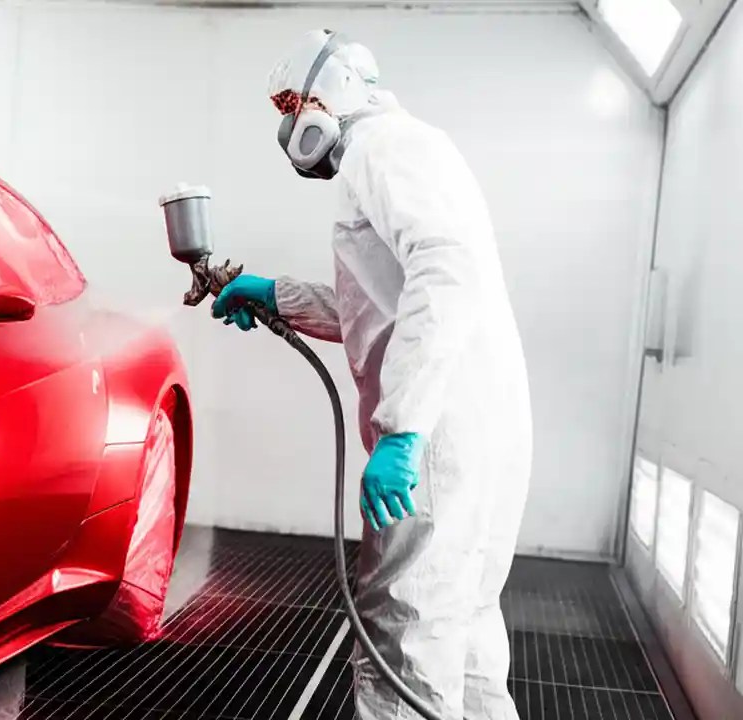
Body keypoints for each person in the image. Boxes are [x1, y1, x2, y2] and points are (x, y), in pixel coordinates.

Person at [211, 30, 533, 720]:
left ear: (332, 96)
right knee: (464, 628)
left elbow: (444, 272)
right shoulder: (412, 150)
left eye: (291, 102)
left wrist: (401, 431)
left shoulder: (382, 148)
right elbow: (380, 308)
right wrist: (276, 295)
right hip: (479, 429)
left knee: (406, 639)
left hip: (436, 439)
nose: (287, 123)